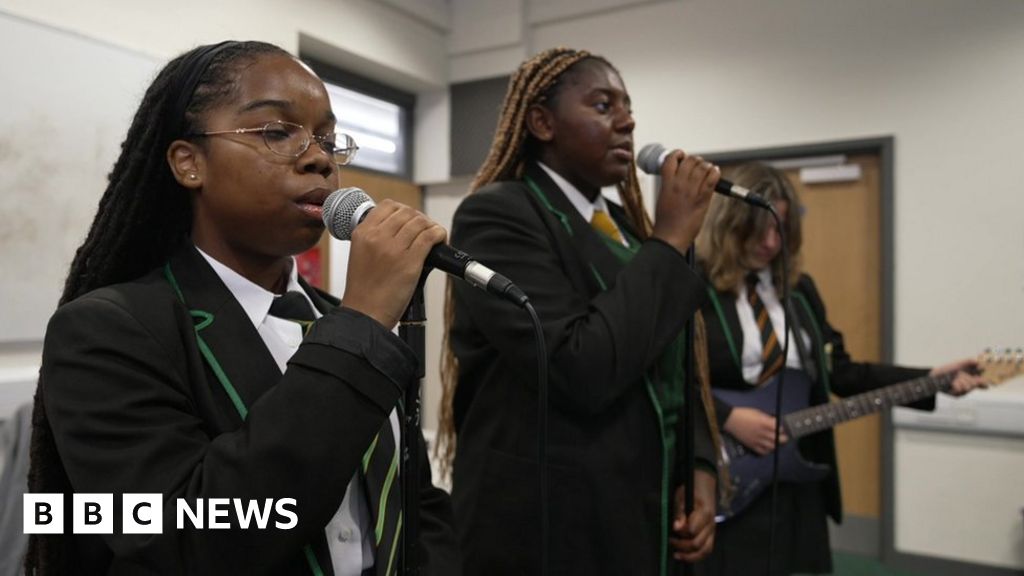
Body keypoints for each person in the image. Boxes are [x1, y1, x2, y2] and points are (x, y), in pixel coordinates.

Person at [26, 40, 460, 576]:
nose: (319, 158)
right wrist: (364, 322)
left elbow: (418, 500)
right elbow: (192, 539)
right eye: (277, 132)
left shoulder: (340, 322)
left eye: (327, 139)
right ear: (189, 163)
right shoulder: (106, 331)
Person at [436, 47, 721, 576]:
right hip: (549, 524)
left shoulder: (628, 226)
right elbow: (579, 365)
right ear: (543, 122)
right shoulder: (498, 215)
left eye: (628, 107)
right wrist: (673, 239)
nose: (628, 121)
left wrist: (699, 465)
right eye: (603, 104)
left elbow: (676, 360)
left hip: (640, 509)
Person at [694, 161, 987, 575]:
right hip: (725, 474)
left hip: (797, 480)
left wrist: (933, 379)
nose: (771, 243)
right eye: (758, 230)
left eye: (781, 230)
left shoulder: (798, 291)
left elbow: (844, 374)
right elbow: (665, 378)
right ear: (729, 224)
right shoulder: (694, 285)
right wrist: (729, 418)